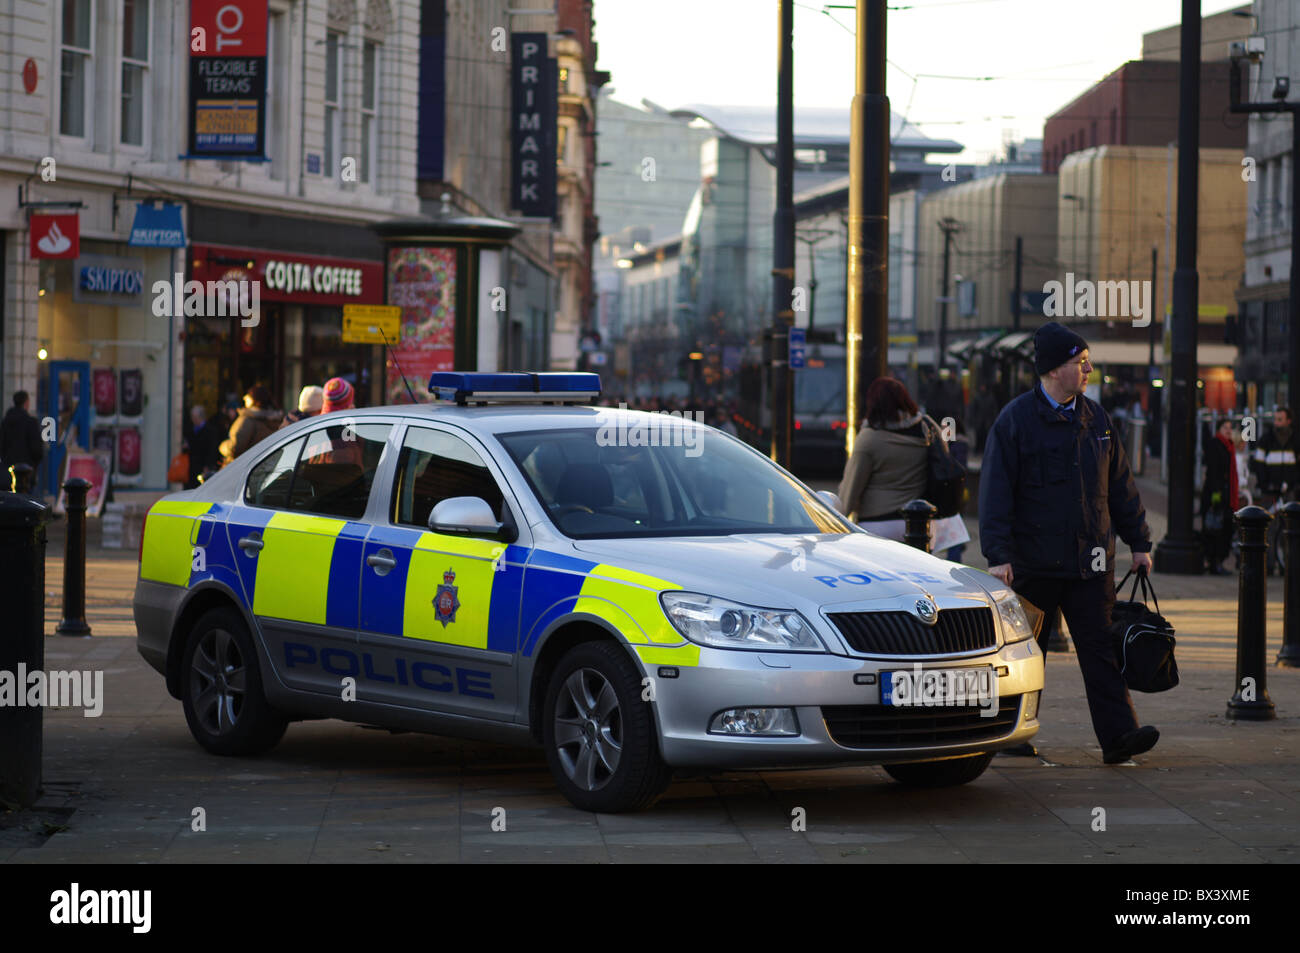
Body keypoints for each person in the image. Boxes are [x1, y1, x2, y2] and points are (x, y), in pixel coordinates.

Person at [979, 321, 1158, 765]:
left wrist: (1140, 542)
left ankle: (1119, 738)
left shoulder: (1096, 419)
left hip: (1090, 562)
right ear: (1055, 369)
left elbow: (1121, 486)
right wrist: (998, 555)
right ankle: (1010, 734)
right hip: (1032, 565)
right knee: (1025, 656)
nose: (1089, 370)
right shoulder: (1015, 420)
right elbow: (996, 491)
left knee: (1100, 651)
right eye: (1081, 363)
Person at [837, 376, 970, 555]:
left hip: (876, 525)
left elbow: (851, 488)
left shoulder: (868, 439)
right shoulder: (927, 427)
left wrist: (836, 520)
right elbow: (943, 461)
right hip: (920, 525)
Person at [1250, 407, 1297, 574]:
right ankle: (1268, 565)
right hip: (1269, 491)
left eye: (1280, 419)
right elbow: (1258, 463)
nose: (1277, 422)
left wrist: (1291, 483)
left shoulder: (1294, 440)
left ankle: (1286, 564)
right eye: (1276, 418)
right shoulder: (1266, 439)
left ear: (1288, 421)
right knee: (1268, 527)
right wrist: (1265, 484)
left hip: (1288, 491)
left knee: (1288, 529)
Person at [1201, 418, 1238, 575]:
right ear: (1218, 429)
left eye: (1230, 427)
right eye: (1225, 427)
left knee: (1223, 529)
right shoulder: (1216, 445)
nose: (1228, 430)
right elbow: (1214, 472)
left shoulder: (1229, 446)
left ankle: (1217, 561)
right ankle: (1214, 562)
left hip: (1226, 495)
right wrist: (1216, 495)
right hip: (1218, 495)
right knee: (1217, 530)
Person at [218, 386, 283, 465]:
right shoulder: (277, 419)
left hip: (244, 467)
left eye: (247, 395)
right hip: (269, 466)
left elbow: (235, 448)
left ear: (253, 399)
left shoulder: (248, 420)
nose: (244, 398)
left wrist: (223, 446)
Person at [0, 390, 44, 485]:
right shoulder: (30, 422)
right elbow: (36, 450)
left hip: (8, 471)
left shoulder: (5, 422)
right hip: (26, 473)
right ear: (26, 403)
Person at [184, 405, 221, 488]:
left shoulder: (210, 431)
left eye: (195, 417)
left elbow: (212, 450)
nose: (193, 419)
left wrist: (208, 465)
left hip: (203, 466)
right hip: (193, 466)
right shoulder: (191, 429)